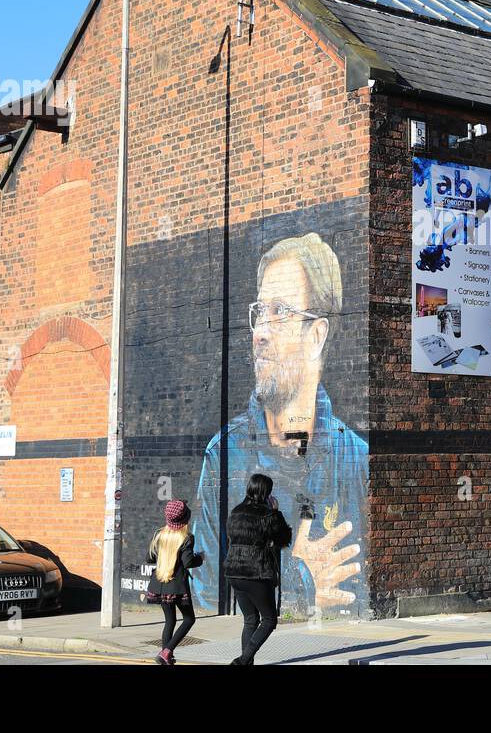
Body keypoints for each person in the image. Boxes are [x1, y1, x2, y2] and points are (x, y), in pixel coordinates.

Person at [191, 233, 369, 618]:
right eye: (260, 313)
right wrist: (302, 580)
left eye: (281, 312)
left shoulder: (357, 459)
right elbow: (206, 594)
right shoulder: (224, 454)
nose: (261, 332)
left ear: (316, 336)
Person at [226, 473, 293, 665]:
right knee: (269, 620)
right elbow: (283, 539)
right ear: (266, 492)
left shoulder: (236, 511)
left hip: (233, 570)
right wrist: (276, 511)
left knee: (250, 620)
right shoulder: (267, 514)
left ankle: (246, 663)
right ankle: (242, 661)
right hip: (256, 571)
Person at [145, 500, 204, 665]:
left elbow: (149, 557)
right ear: (185, 518)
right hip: (176, 587)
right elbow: (188, 562)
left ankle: (166, 657)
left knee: (169, 621)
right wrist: (200, 557)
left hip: (159, 583)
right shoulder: (186, 538)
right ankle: (166, 651)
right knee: (189, 619)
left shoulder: (159, 534)